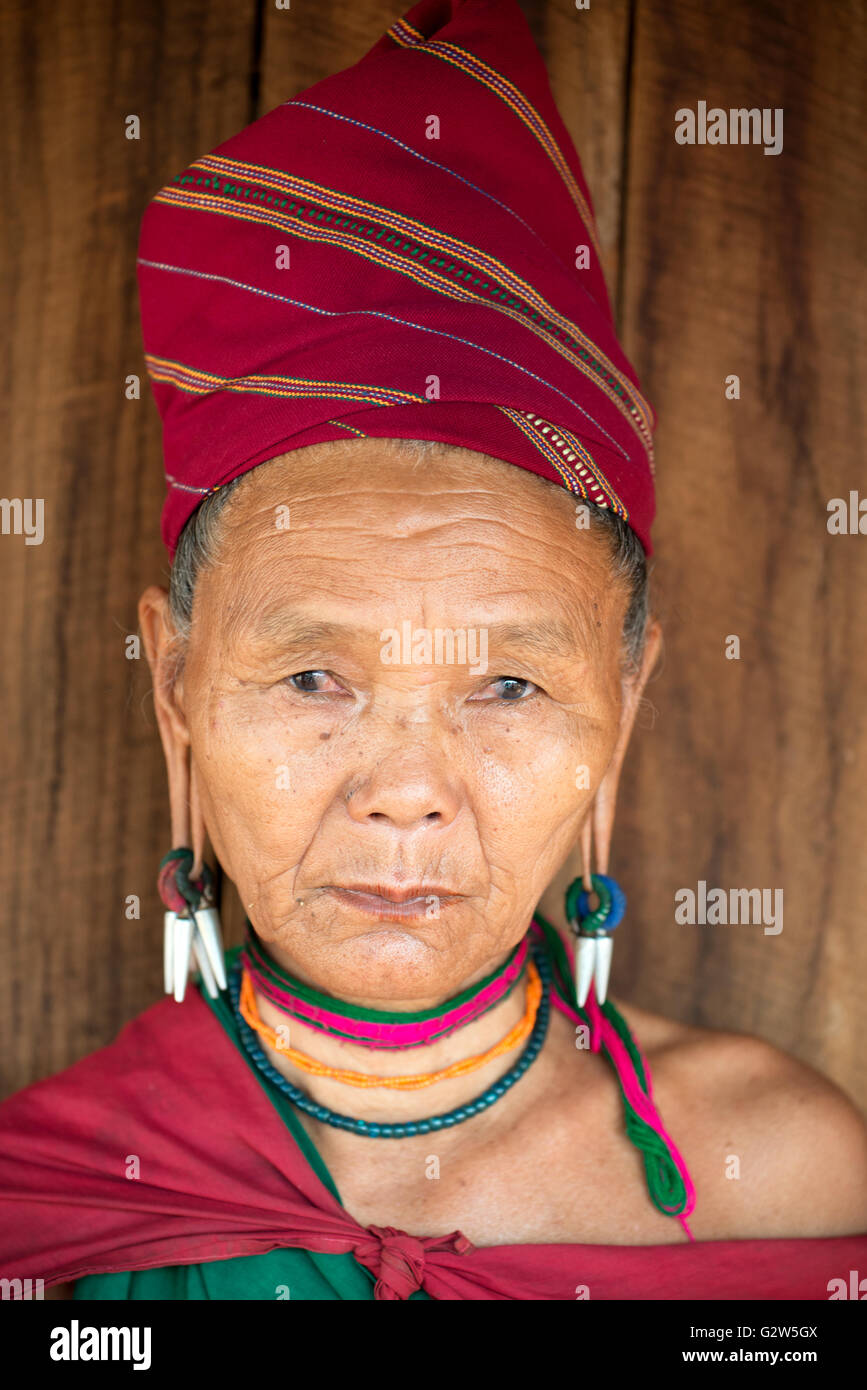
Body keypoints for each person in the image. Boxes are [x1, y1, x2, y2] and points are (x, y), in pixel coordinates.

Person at [1, 0, 865, 1301]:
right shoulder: (44, 1208)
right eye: (313, 678)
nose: (405, 788)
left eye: (508, 683)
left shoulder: (787, 1178)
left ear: (621, 710)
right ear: (175, 686)